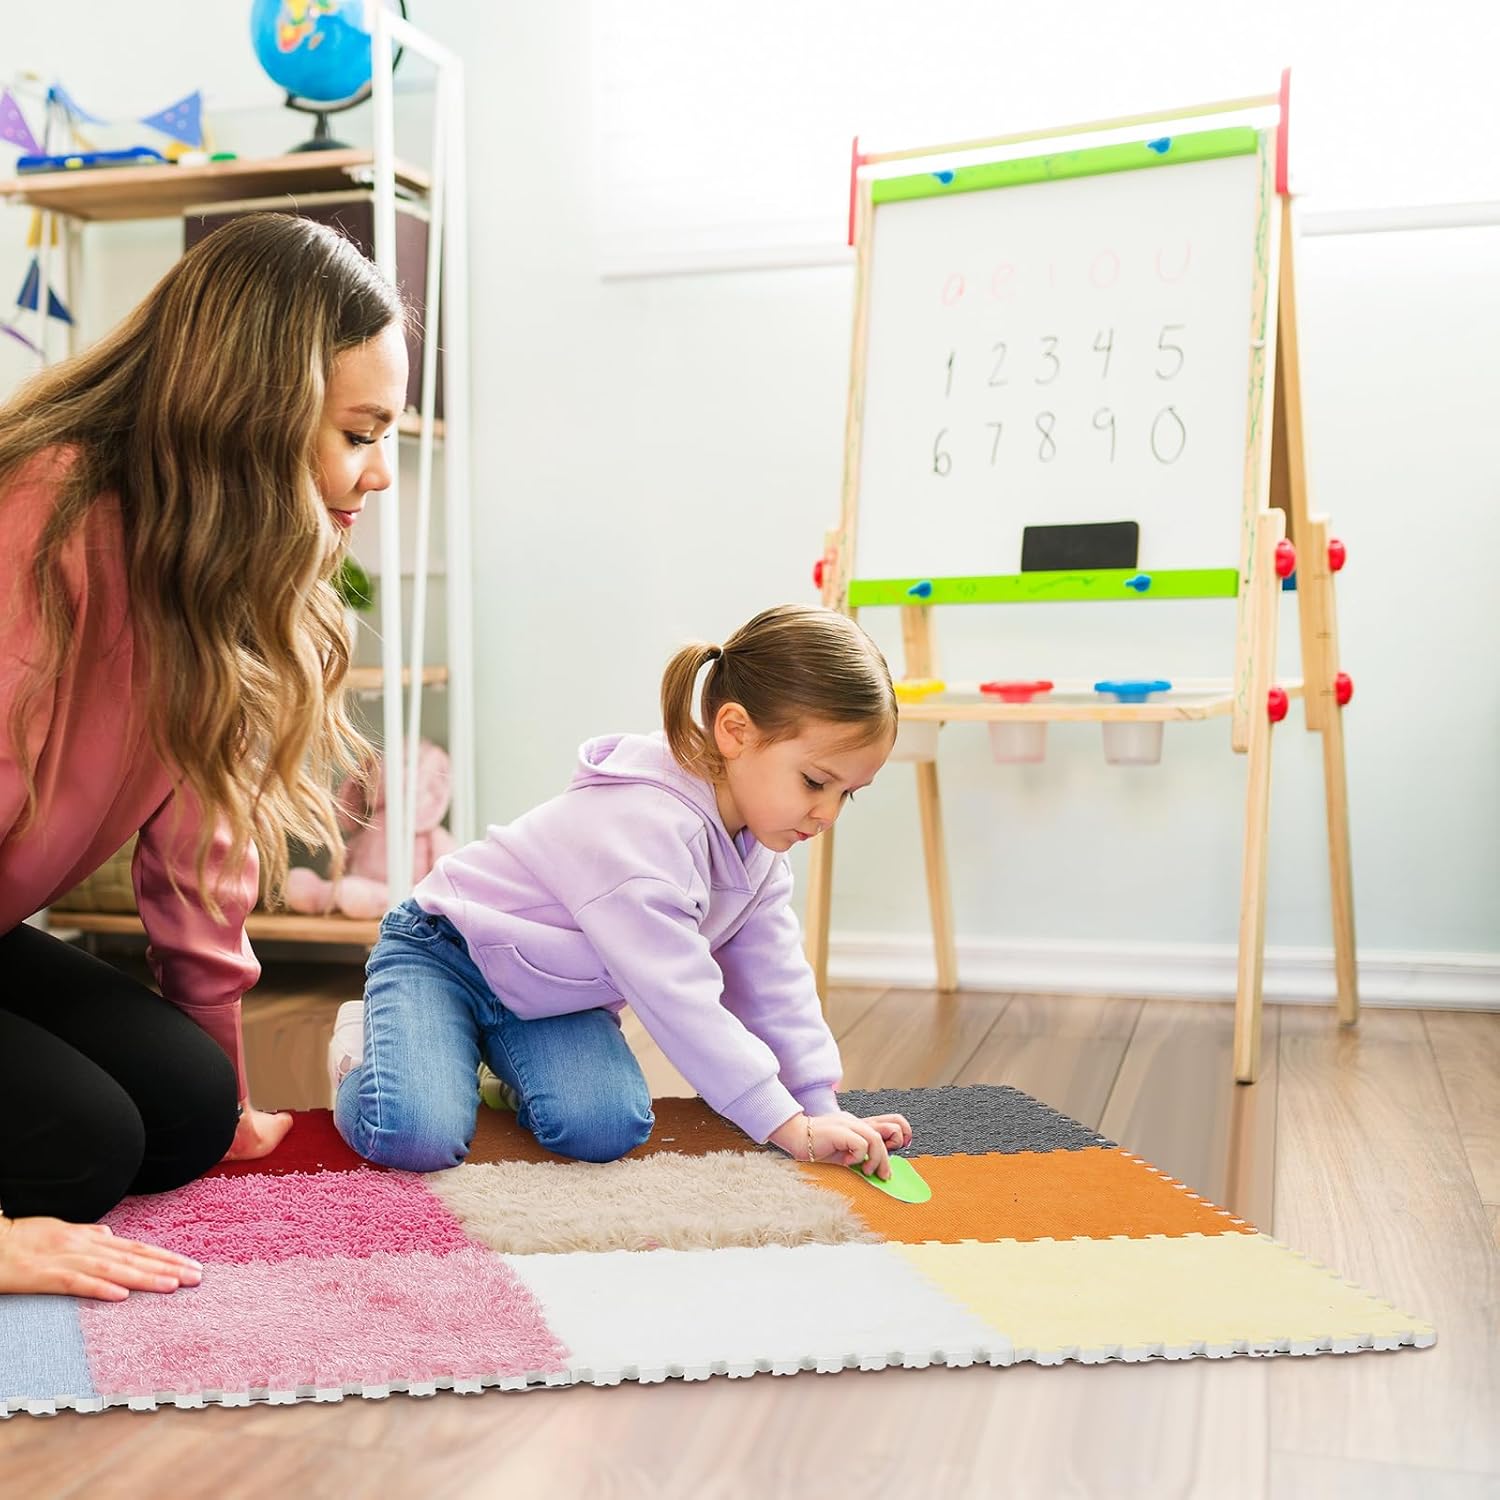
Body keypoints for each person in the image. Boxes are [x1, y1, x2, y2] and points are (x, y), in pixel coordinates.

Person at [0, 213, 408, 1301]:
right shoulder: (44, 522)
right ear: (255, 417)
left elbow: (200, 858)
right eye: (359, 435)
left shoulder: (213, 562)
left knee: (184, 1112)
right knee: (78, 1148)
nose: (374, 478)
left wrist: (224, 1090)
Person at [331, 603, 914, 1176]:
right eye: (816, 781)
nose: (828, 812)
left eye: (847, 793)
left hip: (549, 997)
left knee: (607, 1127)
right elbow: (678, 997)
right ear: (735, 731)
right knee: (414, 1136)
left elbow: (775, 982)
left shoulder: (758, 853)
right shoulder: (645, 829)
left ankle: (478, 1065)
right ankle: (369, 1049)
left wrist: (819, 1105)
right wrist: (786, 1125)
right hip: (445, 954)